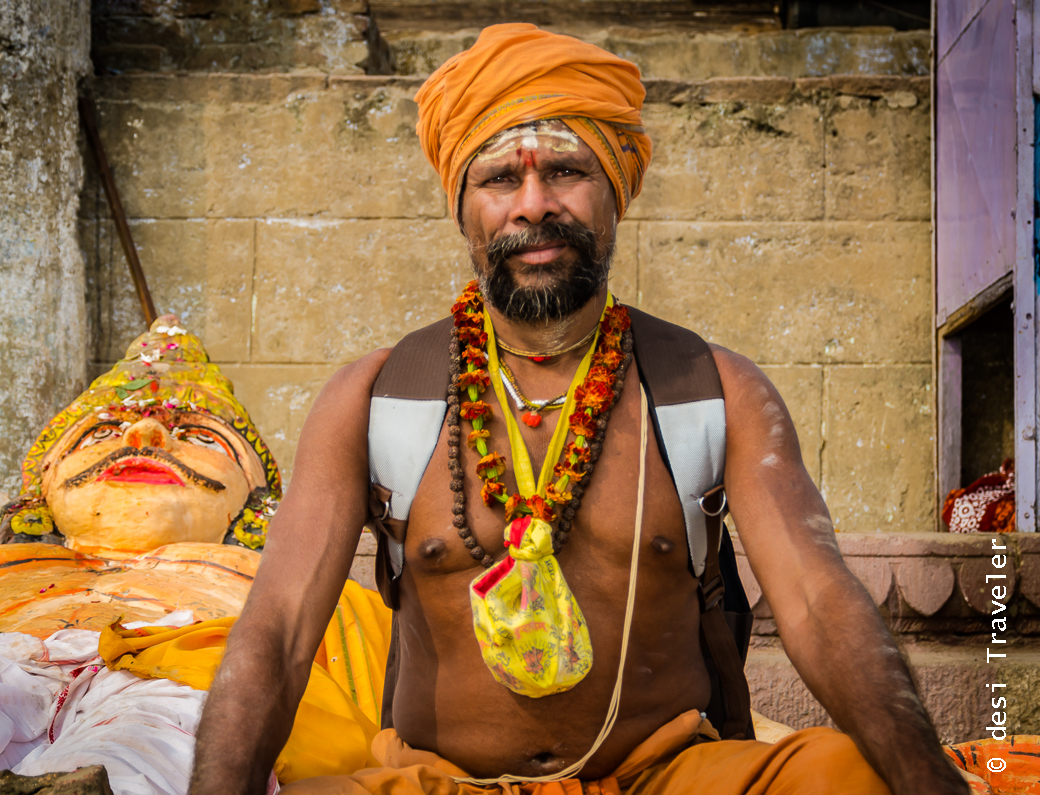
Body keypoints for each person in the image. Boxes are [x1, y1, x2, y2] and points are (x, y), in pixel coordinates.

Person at [190, 24, 969, 795]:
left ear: (615, 193)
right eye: (500, 179)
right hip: (440, 784)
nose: (535, 205)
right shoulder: (372, 397)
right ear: (462, 209)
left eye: (565, 170)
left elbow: (817, 600)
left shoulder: (714, 387)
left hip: (664, 776)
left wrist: (931, 782)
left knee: (845, 775)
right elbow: (281, 629)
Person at [0, 317, 391, 795]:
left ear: (253, 497)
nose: (145, 434)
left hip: (170, 683)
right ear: (46, 483)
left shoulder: (286, 583)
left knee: (144, 748)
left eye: (199, 436)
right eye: (103, 430)